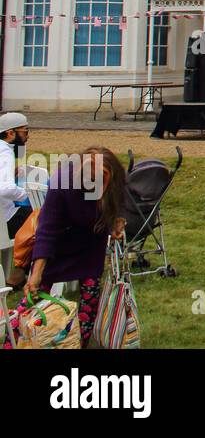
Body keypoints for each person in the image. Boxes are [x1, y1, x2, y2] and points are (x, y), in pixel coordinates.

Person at [24, 147, 127, 347]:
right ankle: (21, 335)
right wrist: (35, 274)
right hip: (61, 241)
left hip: (91, 243)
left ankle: (78, 344)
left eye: (103, 180)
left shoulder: (116, 178)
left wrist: (117, 220)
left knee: (89, 303)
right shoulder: (63, 182)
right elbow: (47, 229)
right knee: (34, 293)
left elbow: (120, 200)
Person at [1, 113, 32, 281]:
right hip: (4, 220)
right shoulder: (5, 153)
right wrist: (26, 194)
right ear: (10, 133)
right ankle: (22, 271)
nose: (27, 136)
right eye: (25, 131)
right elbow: (5, 189)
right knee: (39, 218)